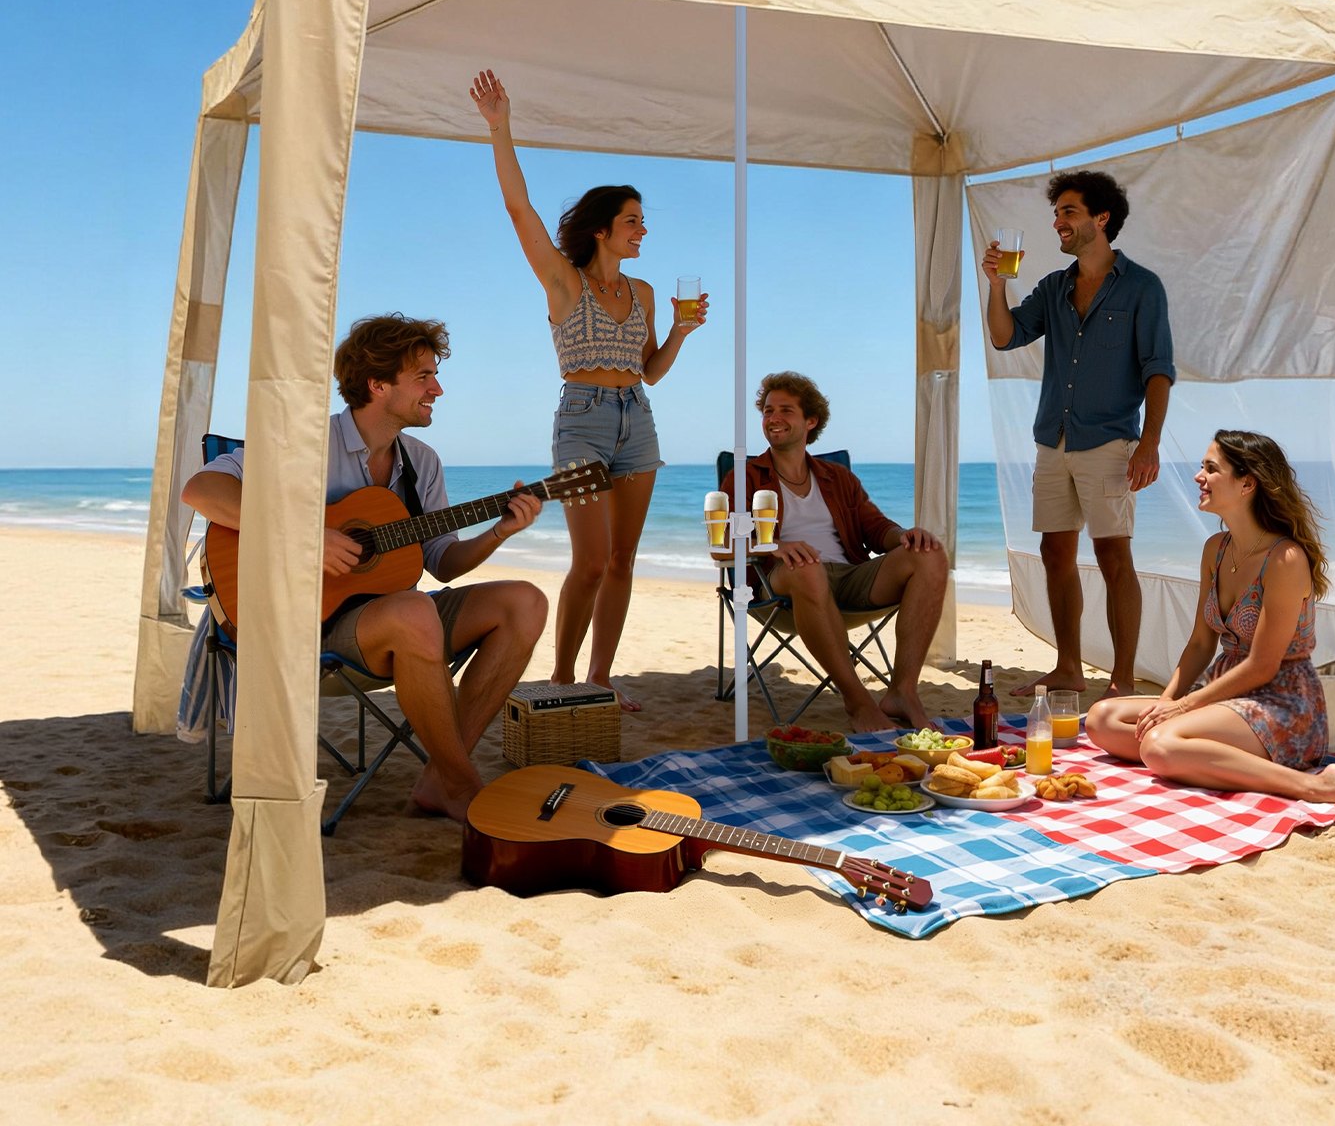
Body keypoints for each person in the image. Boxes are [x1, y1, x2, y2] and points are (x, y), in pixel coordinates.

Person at [182, 314, 549, 823]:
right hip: (306, 628)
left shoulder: (422, 462)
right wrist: (307, 538)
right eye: (423, 377)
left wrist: (499, 531)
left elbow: (442, 563)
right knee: (415, 611)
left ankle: (441, 777)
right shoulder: (304, 442)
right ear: (377, 385)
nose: (438, 389)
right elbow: (201, 490)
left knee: (524, 601)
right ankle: (464, 785)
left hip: (391, 622)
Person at [471, 67, 706, 713]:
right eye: (633, 220)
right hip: (582, 419)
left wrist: (681, 332)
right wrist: (501, 128)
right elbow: (519, 209)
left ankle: (600, 678)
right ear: (603, 227)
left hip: (638, 415)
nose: (643, 230)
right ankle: (565, 675)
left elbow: (650, 370)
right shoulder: (563, 281)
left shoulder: (645, 293)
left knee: (624, 562)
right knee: (592, 563)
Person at [1085, 431, 1335, 804]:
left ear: (1247, 484)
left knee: (1159, 746)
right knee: (1102, 720)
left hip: (1281, 702)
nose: (1198, 476)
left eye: (1211, 468)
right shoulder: (1216, 550)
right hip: (1224, 691)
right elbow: (1199, 643)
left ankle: (1314, 786)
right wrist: (1166, 703)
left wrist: (1183, 709)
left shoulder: (1285, 560)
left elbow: (1263, 665)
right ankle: (1198, 754)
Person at [983, 168, 1174, 699]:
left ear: (1101, 218)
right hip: (1053, 440)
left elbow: (1159, 369)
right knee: (1054, 554)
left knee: (1115, 558)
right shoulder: (1053, 288)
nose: (1058, 221)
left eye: (1069, 211)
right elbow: (1005, 337)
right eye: (1058, 212)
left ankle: (1121, 678)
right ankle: (1068, 666)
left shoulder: (1142, 288)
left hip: (1111, 441)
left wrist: (1150, 443)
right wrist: (998, 284)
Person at [723, 372, 948, 733]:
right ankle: (859, 703)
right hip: (780, 584)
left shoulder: (837, 477)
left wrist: (906, 535)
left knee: (930, 553)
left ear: (810, 421)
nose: (773, 418)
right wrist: (776, 545)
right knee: (808, 566)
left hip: (848, 577)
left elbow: (875, 528)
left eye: (785, 410)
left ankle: (903, 692)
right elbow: (726, 539)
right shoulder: (746, 475)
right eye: (767, 410)